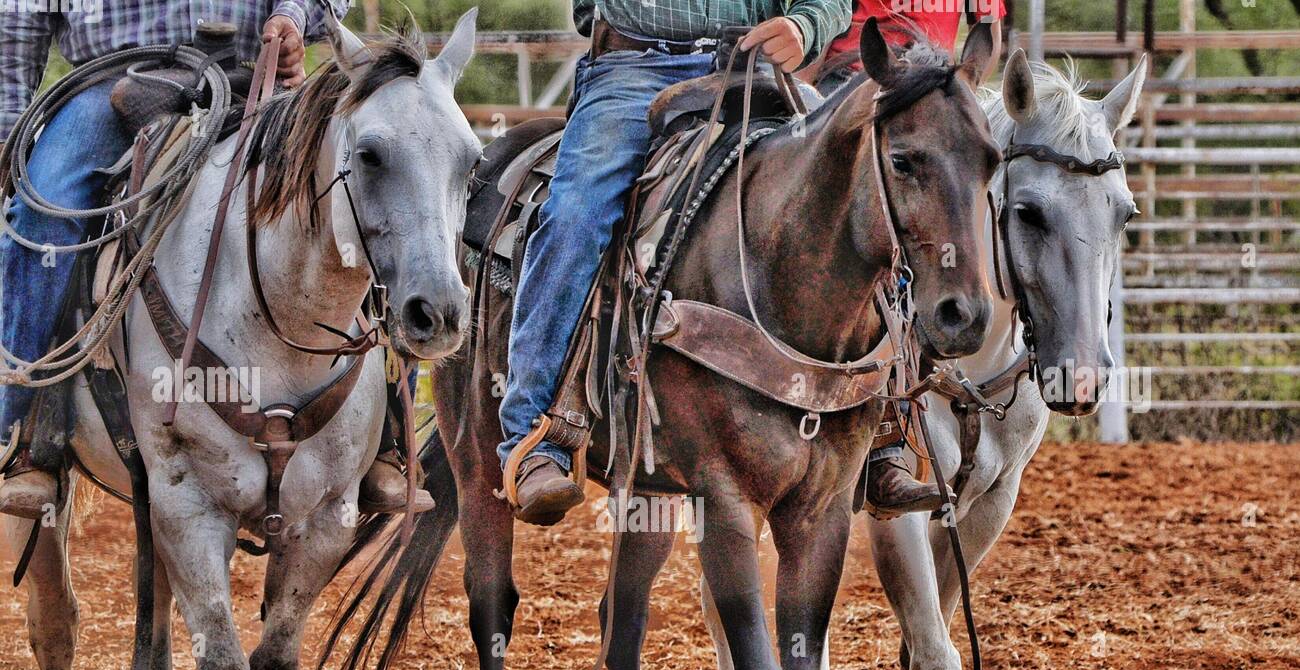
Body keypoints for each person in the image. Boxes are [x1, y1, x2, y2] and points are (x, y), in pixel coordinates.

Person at [0, 1, 418, 520]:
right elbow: (19, 16)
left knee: (365, 188)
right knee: (41, 222)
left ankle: (385, 437)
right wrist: (8, 130)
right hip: (111, 88)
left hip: (253, 77)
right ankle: (22, 436)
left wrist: (293, 16)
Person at [500, 0, 853, 525]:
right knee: (576, 216)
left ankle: (885, 421)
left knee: (853, 180)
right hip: (636, 71)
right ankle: (534, 438)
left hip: (756, 70)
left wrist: (805, 26)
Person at [808, 0, 1005, 518]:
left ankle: (888, 438)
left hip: (935, 88)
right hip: (850, 85)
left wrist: (962, 85)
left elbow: (988, 31)